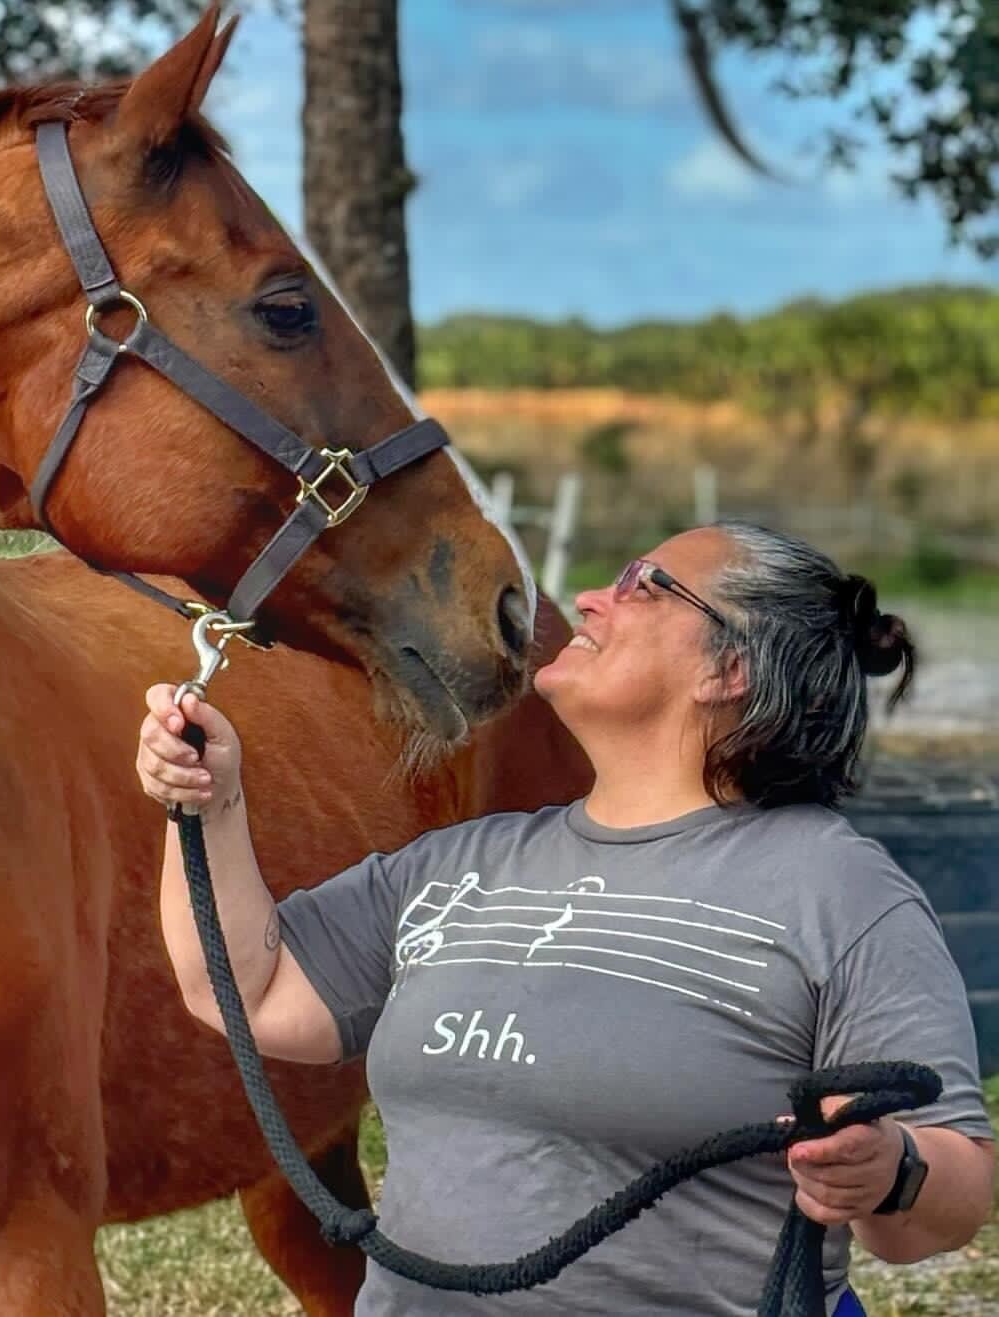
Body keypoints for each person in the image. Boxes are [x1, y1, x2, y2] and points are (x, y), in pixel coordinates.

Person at [135, 523, 995, 1317]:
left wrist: (889, 1170)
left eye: (644, 585)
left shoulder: (838, 891)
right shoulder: (462, 862)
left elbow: (945, 1198)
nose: (589, 597)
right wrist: (210, 804)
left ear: (729, 670)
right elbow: (247, 987)